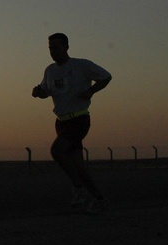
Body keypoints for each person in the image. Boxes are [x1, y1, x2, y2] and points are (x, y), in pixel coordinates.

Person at [32, 32, 112, 214]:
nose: (53, 52)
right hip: (61, 122)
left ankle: (78, 189)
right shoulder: (50, 70)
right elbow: (46, 91)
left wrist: (91, 91)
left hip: (79, 119)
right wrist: (38, 92)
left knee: (57, 150)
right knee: (80, 168)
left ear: (67, 47)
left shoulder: (80, 65)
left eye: (57, 48)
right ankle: (101, 199)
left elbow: (106, 77)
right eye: (50, 48)